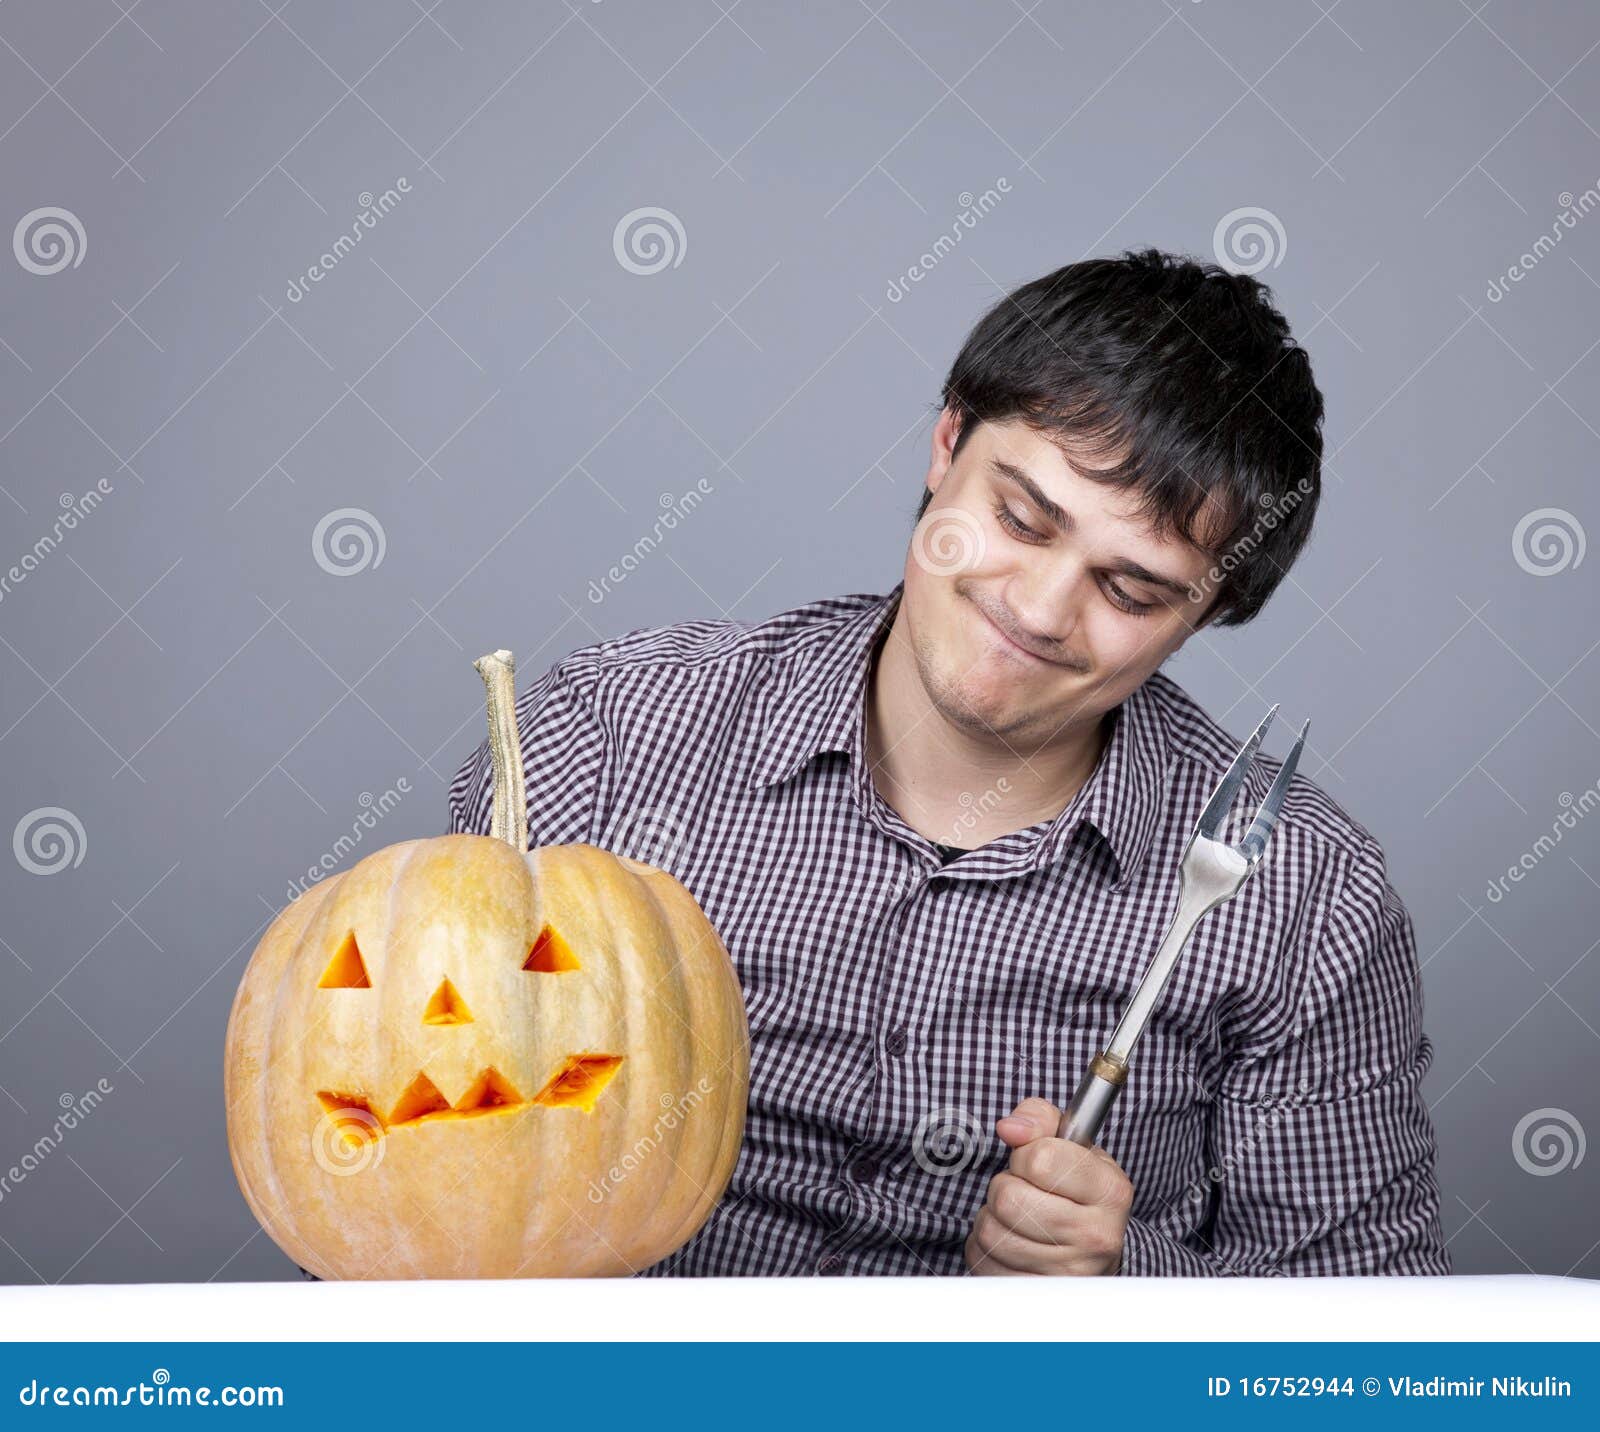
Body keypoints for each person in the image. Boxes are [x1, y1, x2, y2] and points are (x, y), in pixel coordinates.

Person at [446, 248, 1450, 1277]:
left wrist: (1128, 1286)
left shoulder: (1306, 894)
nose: (1039, 610)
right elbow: (395, 1161)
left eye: (1132, 591)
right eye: (1019, 518)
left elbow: (1374, 1342)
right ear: (946, 443)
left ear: (1210, 613)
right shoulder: (612, 731)